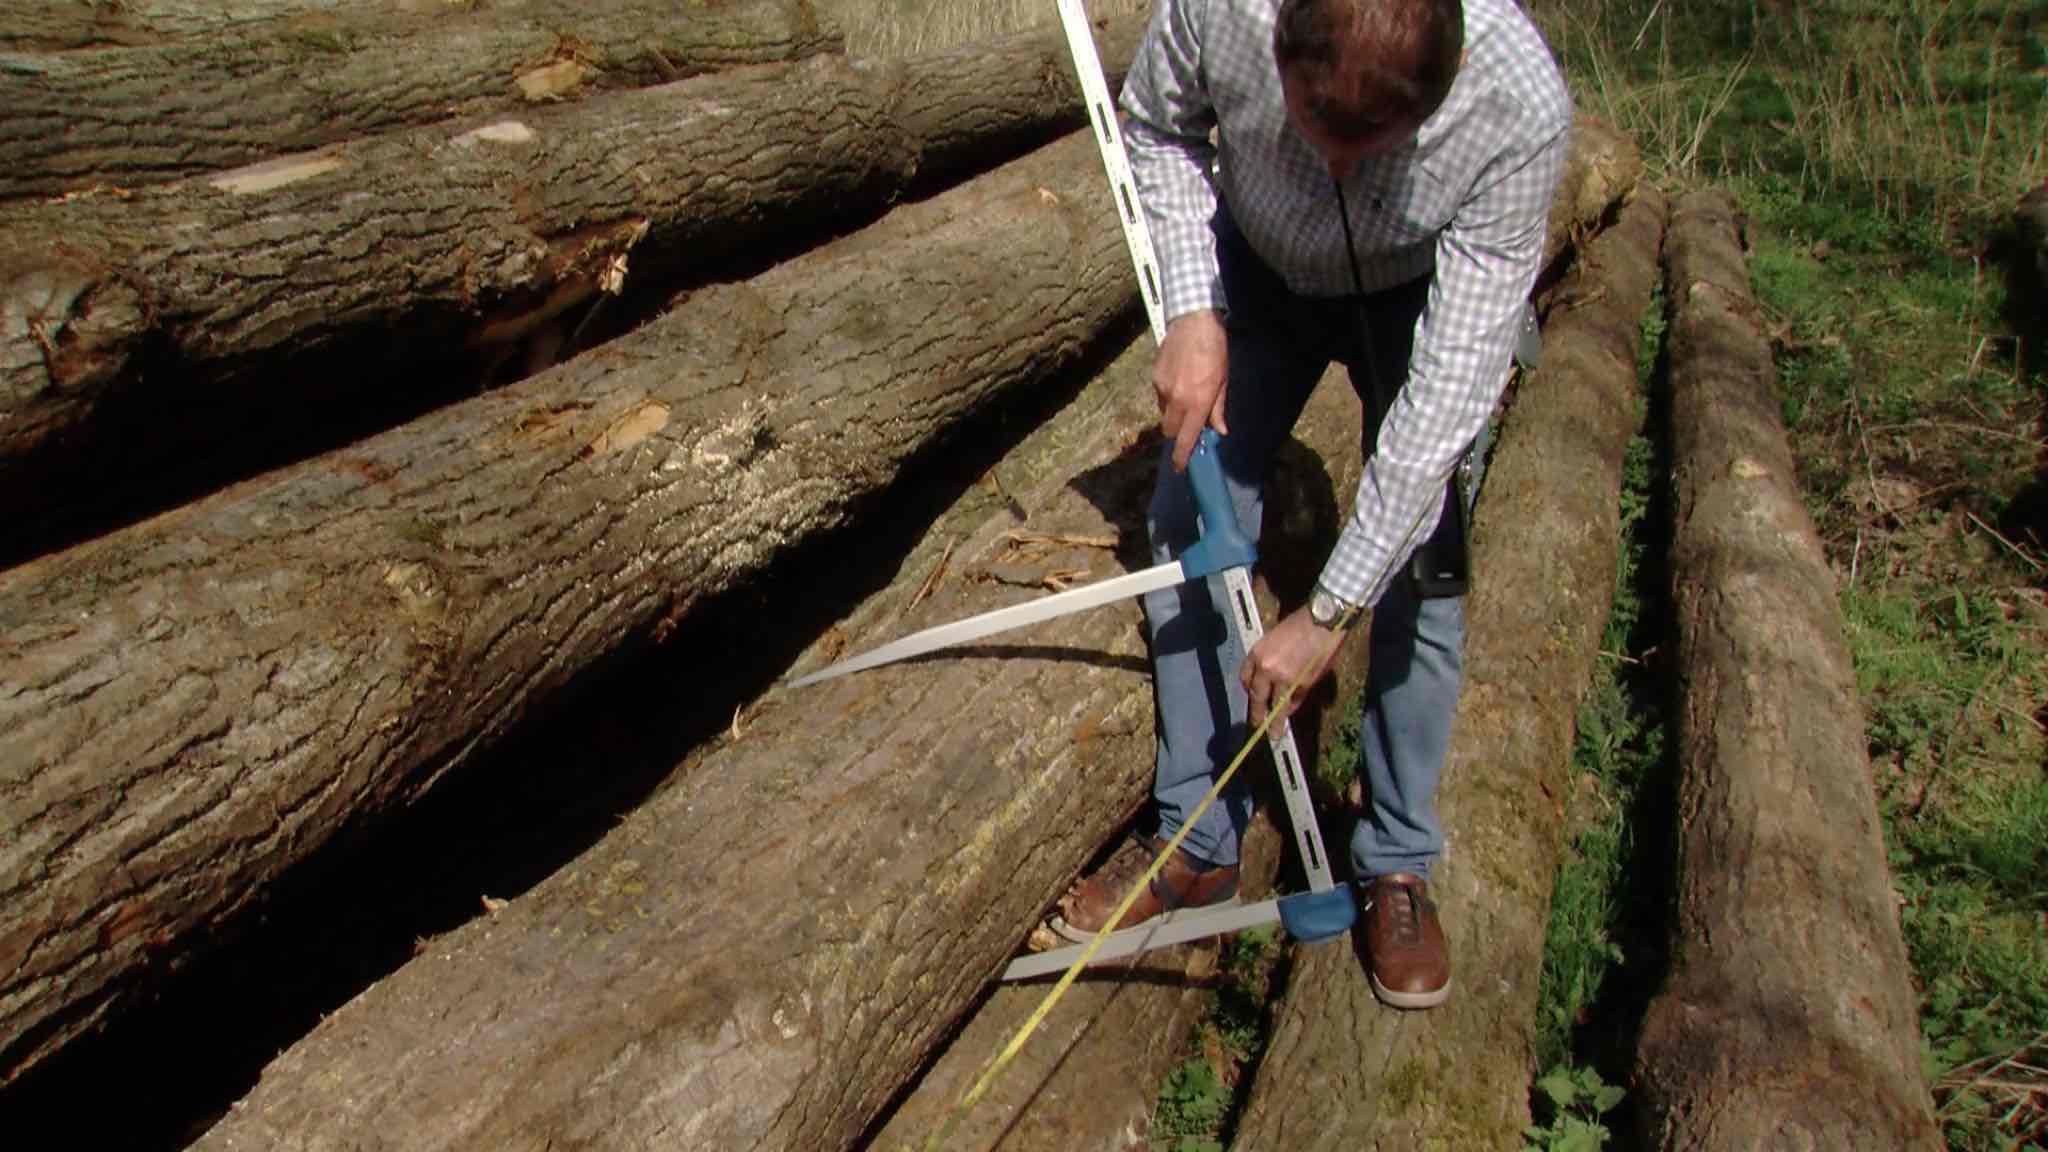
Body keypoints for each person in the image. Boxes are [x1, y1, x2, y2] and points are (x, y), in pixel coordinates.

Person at [1050, 0, 1569, 1011]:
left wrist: (1327, 611)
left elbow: (1440, 411)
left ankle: (1395, 860)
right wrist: (1195, 308)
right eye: (1311, 127)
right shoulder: (1218, 8)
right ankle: (1197, 840)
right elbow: (1155, 126)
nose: (1335, 165)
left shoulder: (1515, 108)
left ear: (1441, 91)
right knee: (1187, 514)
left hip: (1419, 290)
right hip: (1256, 264)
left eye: (1370, 143)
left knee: (1427, 559)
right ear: (1275, 43)